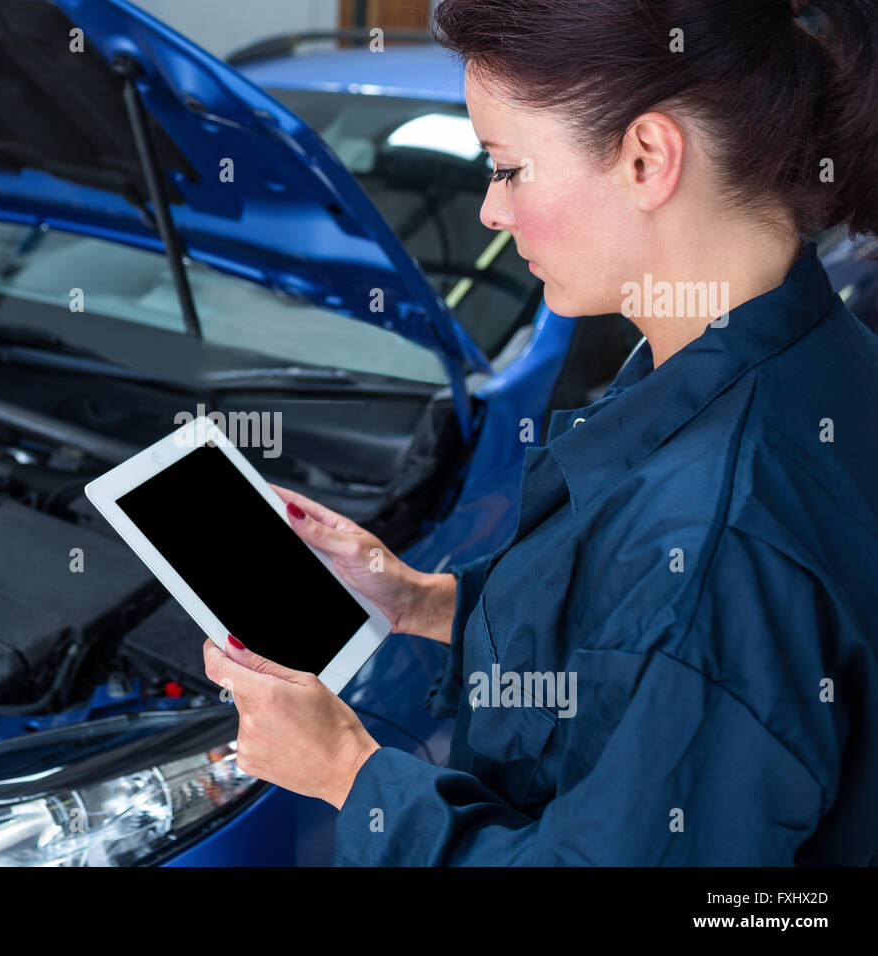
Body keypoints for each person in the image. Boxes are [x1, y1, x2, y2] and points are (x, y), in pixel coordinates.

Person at [202, 0, 878, 864]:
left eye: (509, 168)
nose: (489, 209)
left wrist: (346, 769)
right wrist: (419, 601)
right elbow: (628, 637)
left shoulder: (720, 538)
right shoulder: (796, 353)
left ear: (646, 159)